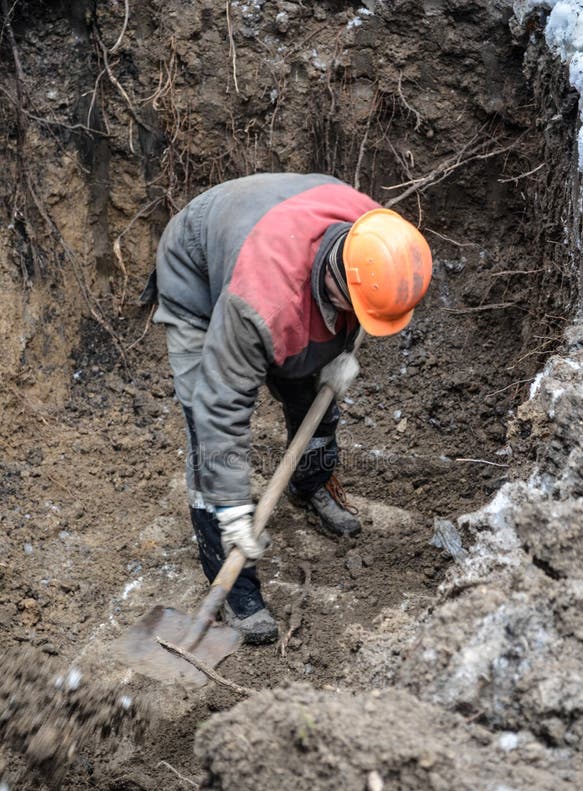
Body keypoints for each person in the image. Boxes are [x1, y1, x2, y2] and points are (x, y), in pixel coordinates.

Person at [153, 173, 432, 644]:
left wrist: (342, 352)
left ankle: (310, 482)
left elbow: (366, 308)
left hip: (268, 237)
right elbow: (222, 407)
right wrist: (232, 507)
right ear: (336, 283)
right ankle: (232, 580)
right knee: (209, 439)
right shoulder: (261, 304)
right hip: (197, 273)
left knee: (311, 396)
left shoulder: (376, 236)